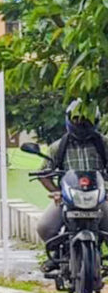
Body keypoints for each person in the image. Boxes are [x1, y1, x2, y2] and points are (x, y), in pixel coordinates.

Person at [35, 100, 108, 270]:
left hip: (98, 197)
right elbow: (43, 174)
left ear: (95, 120)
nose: (81, 123)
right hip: (68, 198)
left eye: (86, 120)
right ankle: (58, 255)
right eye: (77, 119)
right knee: (44, 227)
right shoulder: (58, 146)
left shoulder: (103, 144)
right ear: (69, 120)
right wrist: (56, 192)